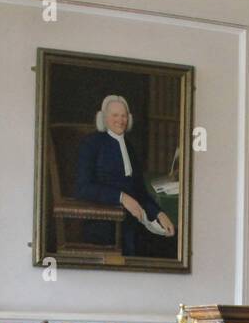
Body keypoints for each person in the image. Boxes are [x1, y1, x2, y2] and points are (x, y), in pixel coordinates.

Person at [74, 95, 175, 256]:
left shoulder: (129, 147)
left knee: (170, 244)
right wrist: (121, 197)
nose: (120, 120)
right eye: (115, 115)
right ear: (104, 118)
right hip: (104, 221)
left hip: (133, 222)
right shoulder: (91, 143)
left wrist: (159, 213)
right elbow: (83, 188)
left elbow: (140, 192)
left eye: (124, 116)